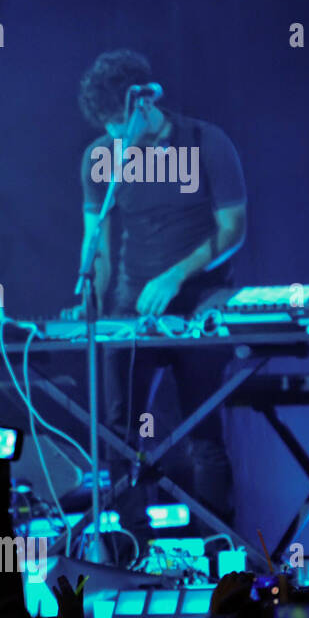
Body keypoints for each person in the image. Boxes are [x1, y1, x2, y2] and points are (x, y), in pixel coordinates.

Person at [67, 49, 247, 526]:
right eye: (104, 123)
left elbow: (233, 228)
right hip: (131, 303)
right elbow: (97, 243)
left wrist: (175, 275)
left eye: (118, 120)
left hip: (202, 299)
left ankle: (220, 556)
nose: (112, 133)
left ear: (145, 103)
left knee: (202, 434)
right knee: (119, 435)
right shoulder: (101, 158)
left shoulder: (207, 142)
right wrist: (89, 306)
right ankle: (127, 553)